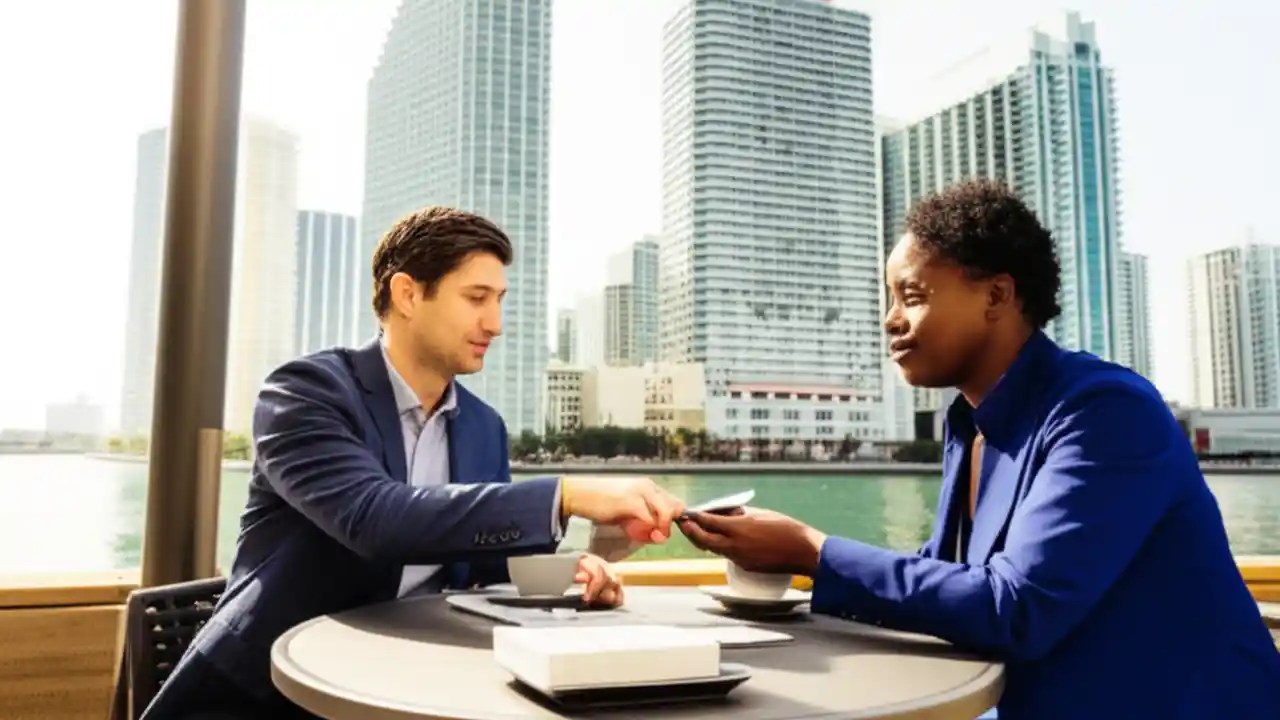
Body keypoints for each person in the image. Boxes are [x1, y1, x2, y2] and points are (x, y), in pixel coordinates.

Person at [678, 180, 1280, 719]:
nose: (890, 320)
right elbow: (954, 576)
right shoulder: (971, 423)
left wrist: (814, 551)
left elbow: (1016, 606)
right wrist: (786, 569)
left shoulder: (1104, 411)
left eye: (911, 295)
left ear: (996, 296)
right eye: (889, 299)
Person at [144, 207, 684, 719]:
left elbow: (488, 567)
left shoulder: (483, 426)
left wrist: (576, 566)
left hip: (422, 680)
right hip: (270, 691)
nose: (495, 323)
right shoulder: (304, 393)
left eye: (500, 299)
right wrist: (567, 494)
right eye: (476, 298)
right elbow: (375, 519)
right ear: (407, 294)